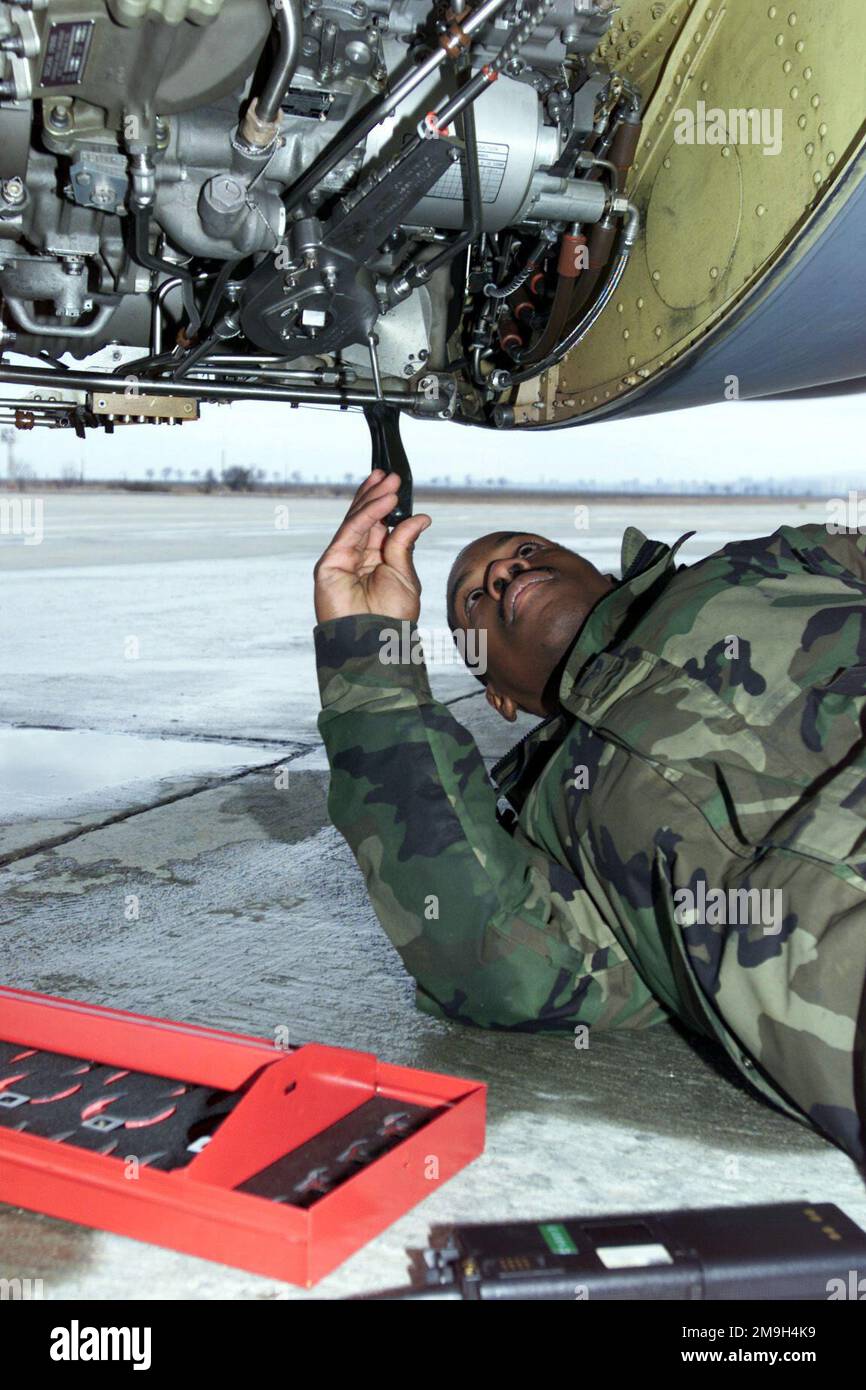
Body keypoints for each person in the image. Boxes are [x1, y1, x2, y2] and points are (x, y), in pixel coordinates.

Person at [313, 468, 866, 1165]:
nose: (504, 573)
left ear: (594, 568)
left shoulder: (765, 563)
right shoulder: (555, 836)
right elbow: (494, 958)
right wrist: (368, 647)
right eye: (472, 600)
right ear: (498, 699)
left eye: (524, 549)